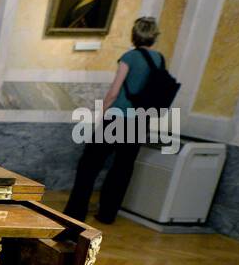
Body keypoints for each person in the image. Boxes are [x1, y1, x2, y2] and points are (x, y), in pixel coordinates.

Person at [63, 16, 165, 224]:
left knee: (89, 165)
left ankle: (76, 211)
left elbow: (114, 91)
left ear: (134, 35)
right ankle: (108, 214)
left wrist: (102, 114)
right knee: (123, 168)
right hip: (141, 121)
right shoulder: (159, 59)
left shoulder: (129, 57)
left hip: (117, 118)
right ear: (154, 37)